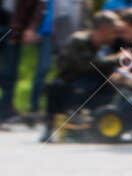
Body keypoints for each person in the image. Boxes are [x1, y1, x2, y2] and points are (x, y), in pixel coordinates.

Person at [42, 9, 125, 141]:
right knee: (56, 88)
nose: (115, 35)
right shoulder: (79, 41)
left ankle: (100, 126)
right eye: (113, 31)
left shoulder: (106, 45)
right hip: (71, 80)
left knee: (113, 87)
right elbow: (87, 66)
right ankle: (52, 128)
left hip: (91, 81)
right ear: (103, 29)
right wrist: (116, 59)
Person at [31, 0, 88, 117]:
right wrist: (40, 27)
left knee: (64, 68)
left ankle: (60, 106)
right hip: (50, 28)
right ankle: (34, 105)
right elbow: (43, 1)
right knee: (44, 67)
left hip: (70, 31)